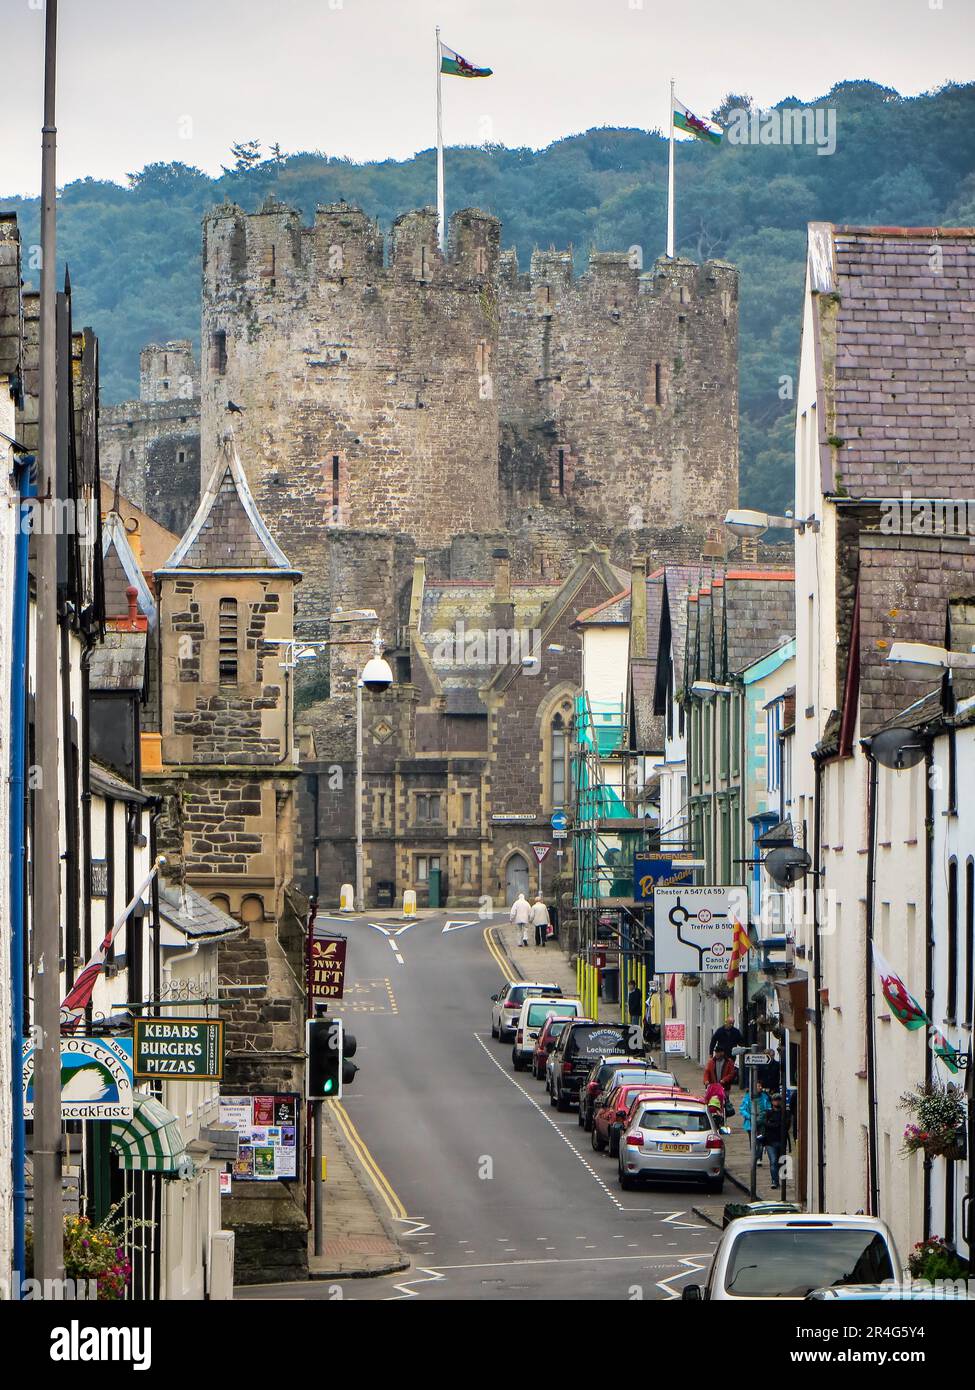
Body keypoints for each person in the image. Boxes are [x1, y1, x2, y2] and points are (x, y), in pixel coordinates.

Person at [758, 1091, 789, 1187]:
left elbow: (786, 1125)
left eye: (779, 1100)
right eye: (775, 1100)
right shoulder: (767, 1112)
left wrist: (770, 1125)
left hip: (781, 1140)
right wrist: (770, 1125)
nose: (777, 1102)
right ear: (772, 1102)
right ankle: (774, 1181)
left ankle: (782, 1180)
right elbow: (760, 1122)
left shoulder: (785, 1113)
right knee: (773, 1161)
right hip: (769, 1141)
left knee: (782, 1161)